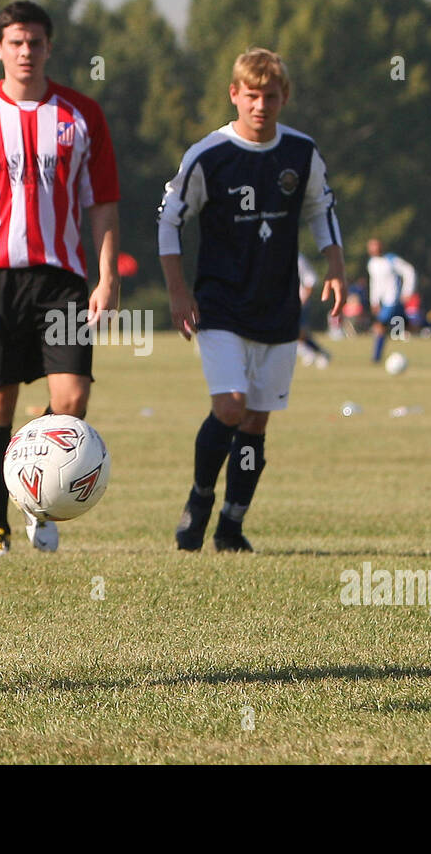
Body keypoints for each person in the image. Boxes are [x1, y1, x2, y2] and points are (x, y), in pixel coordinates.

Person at [0, 0, 121, 557]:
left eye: (35, 42)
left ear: (49, 48)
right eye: (15, 42)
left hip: (61, 278)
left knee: (72, 398)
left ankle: (38, 491)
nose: (25, 52)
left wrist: (107, 273)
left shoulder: (80, 115)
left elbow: (104, 201)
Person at [159, 47, 346, 552]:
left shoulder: (301, 153)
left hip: (279, 306)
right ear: (234, 95)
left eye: (270, 96)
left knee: (257, 419)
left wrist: (336, 266)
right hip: (219, 305)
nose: (260, 105)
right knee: (230, 406)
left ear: (284, 97)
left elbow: (320, 210)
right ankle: (199, 498)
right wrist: (178, 290)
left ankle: (232, 523)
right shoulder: (209, 155)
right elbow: (170, 220)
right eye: (252, 96)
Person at [366, 238, 417, 362]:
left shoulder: (391, 260)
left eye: (375, 246)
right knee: (410, 326)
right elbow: (375, 284)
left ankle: (376, 358)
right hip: (384, 302)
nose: (373, 249)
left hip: (393, 300)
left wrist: (407, 291)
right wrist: (374, 301)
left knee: (379, 326)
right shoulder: (371, 263)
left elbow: (409, 271)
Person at [295, 252, 331, 367]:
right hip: (281, 303)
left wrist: (304, 299)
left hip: (298, 301)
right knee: (297, 333)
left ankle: (318, 353)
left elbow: (310, 279)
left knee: (299, 332)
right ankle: (311, 353)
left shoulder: (298, 258)